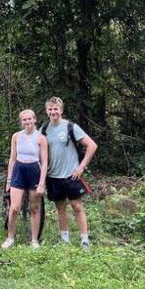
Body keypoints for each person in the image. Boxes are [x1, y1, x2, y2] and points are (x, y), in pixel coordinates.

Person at [42, 96, 98, 249]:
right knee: (60, 208)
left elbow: (92, 145)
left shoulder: (71, 127)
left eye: (55, 109)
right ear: (47, 111)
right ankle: (64, 239)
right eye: (50, 109)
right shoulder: (44, 129)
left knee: (77, 206)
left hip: (71, 175)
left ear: (61, 110)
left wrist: (81, 167)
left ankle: (85, 240)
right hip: (53, 176)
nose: (53, 112)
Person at [2, 109, 48, 249]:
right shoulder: (16, 136)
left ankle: (34, 240)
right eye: (24, 119)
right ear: (21, 122)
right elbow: (12, 159)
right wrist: (9, 180)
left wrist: (41, 183)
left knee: (34, 207)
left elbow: (44, 162)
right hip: (19, 170)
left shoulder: (41, 138)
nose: (27, 122)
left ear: (34, 120)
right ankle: (10, 238)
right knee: (14, 208)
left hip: (34, 171)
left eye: (29, 119)